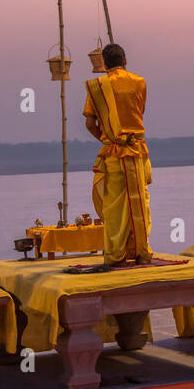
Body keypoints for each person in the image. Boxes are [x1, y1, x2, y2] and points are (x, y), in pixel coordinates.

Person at [84, 43, 153, 264]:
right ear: (125, 61)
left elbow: (89, 123)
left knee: (114, 206)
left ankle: (117, 255)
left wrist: (109, 139)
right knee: (140, 202)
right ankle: (141, 253)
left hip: (114, 153)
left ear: (104, 64)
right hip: (137, 151)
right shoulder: (139, 82)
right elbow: (139, 112)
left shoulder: (98, 86)